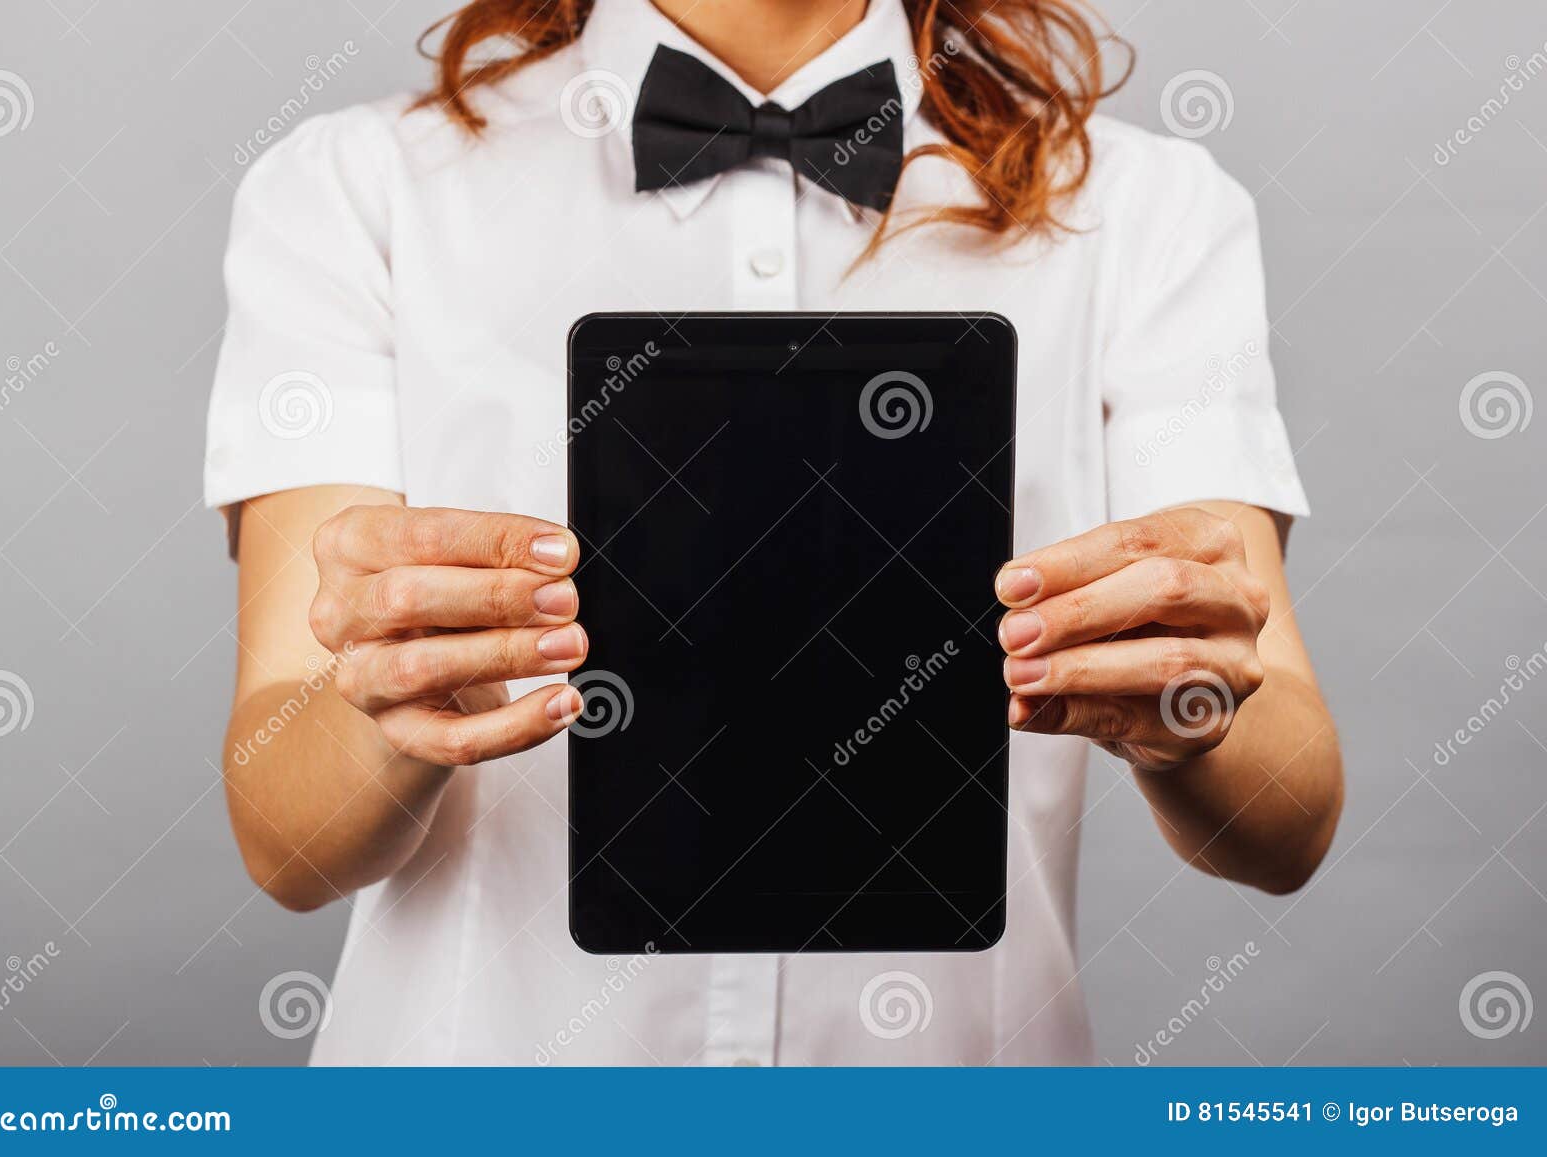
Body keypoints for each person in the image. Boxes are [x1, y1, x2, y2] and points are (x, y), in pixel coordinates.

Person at [204, 0, 1343, 1065]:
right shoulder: (357, 189)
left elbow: (1286, 823)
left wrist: (1186, 709)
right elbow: (285, 836)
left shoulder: (1149, 208)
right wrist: (393, 709)